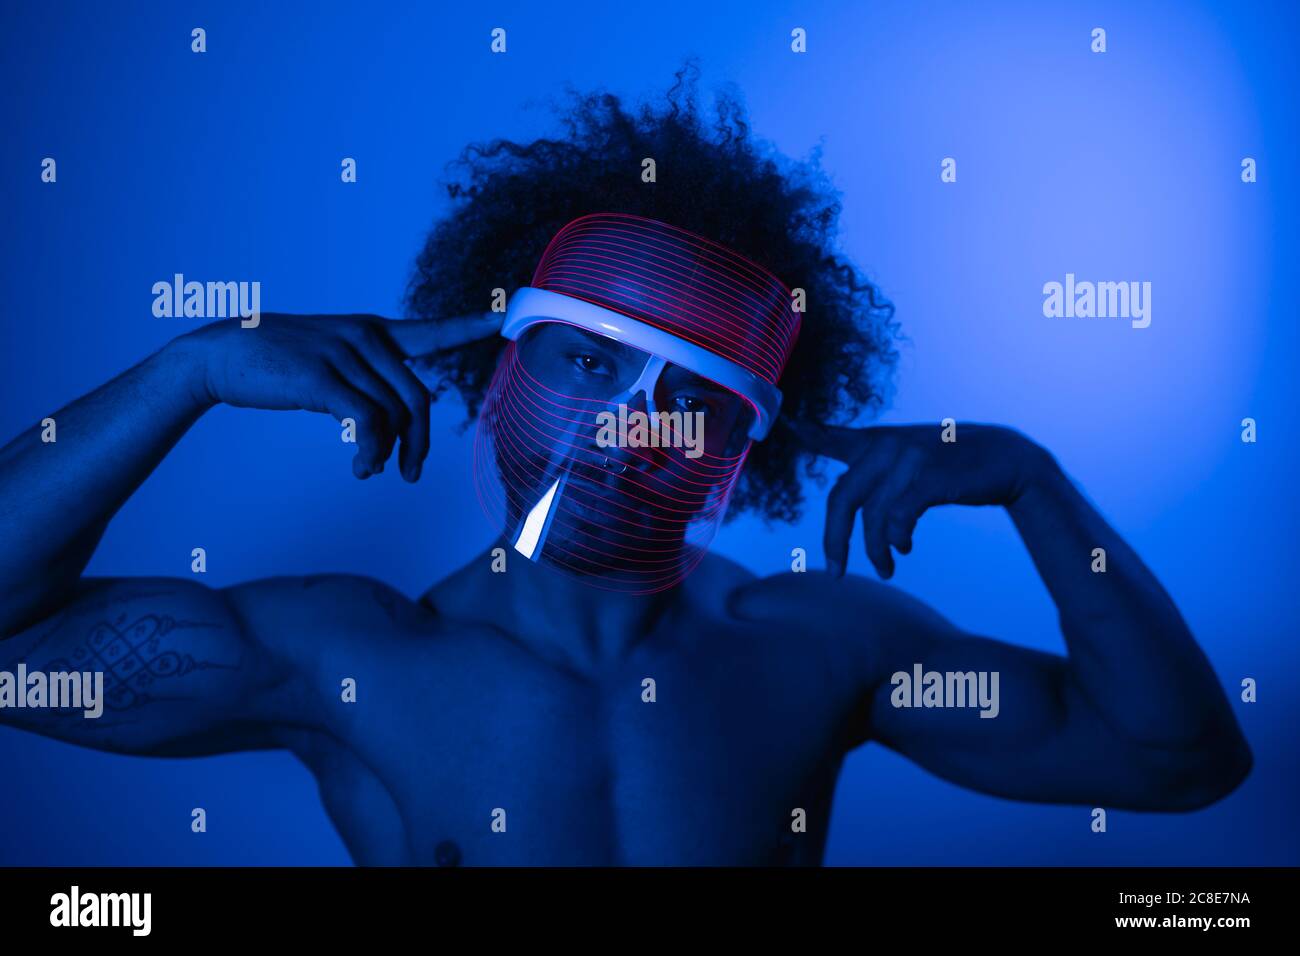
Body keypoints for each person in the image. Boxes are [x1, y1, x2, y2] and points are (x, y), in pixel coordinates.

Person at [0, 72, 1250, 866]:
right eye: (585, 366)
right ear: (488, 370)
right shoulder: (347, 656)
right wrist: (192, 370)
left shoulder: (823, 645)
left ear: (747, 440)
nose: (623, 425)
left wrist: (1038, 486)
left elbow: (1175, 762)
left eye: (688, 396)